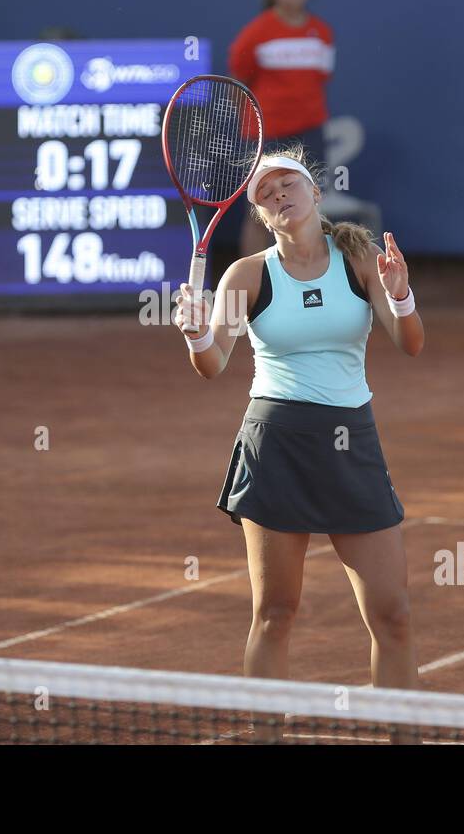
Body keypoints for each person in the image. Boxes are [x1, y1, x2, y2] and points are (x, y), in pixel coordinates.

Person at [175, 145, 425, 741]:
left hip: (351, 444)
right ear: (261, 215)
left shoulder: (359, 257)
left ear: (316, 192)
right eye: (266, 193)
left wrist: (399, 293)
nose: (279, 194)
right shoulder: (247, 275)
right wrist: (192, 333)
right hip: (276, 444)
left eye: (289, 183)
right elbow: (213, 364)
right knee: (275, 614)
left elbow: (409, 343)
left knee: (393, 615)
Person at [227, 0, 335, 258]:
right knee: (262, 210)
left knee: (310, 205)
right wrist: (254, 126)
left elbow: (320, 77)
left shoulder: (322, 33)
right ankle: (255, 278)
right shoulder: (255, 35)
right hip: (268, 135)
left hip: (310, 132)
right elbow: (238, 84)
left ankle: (311, 276)